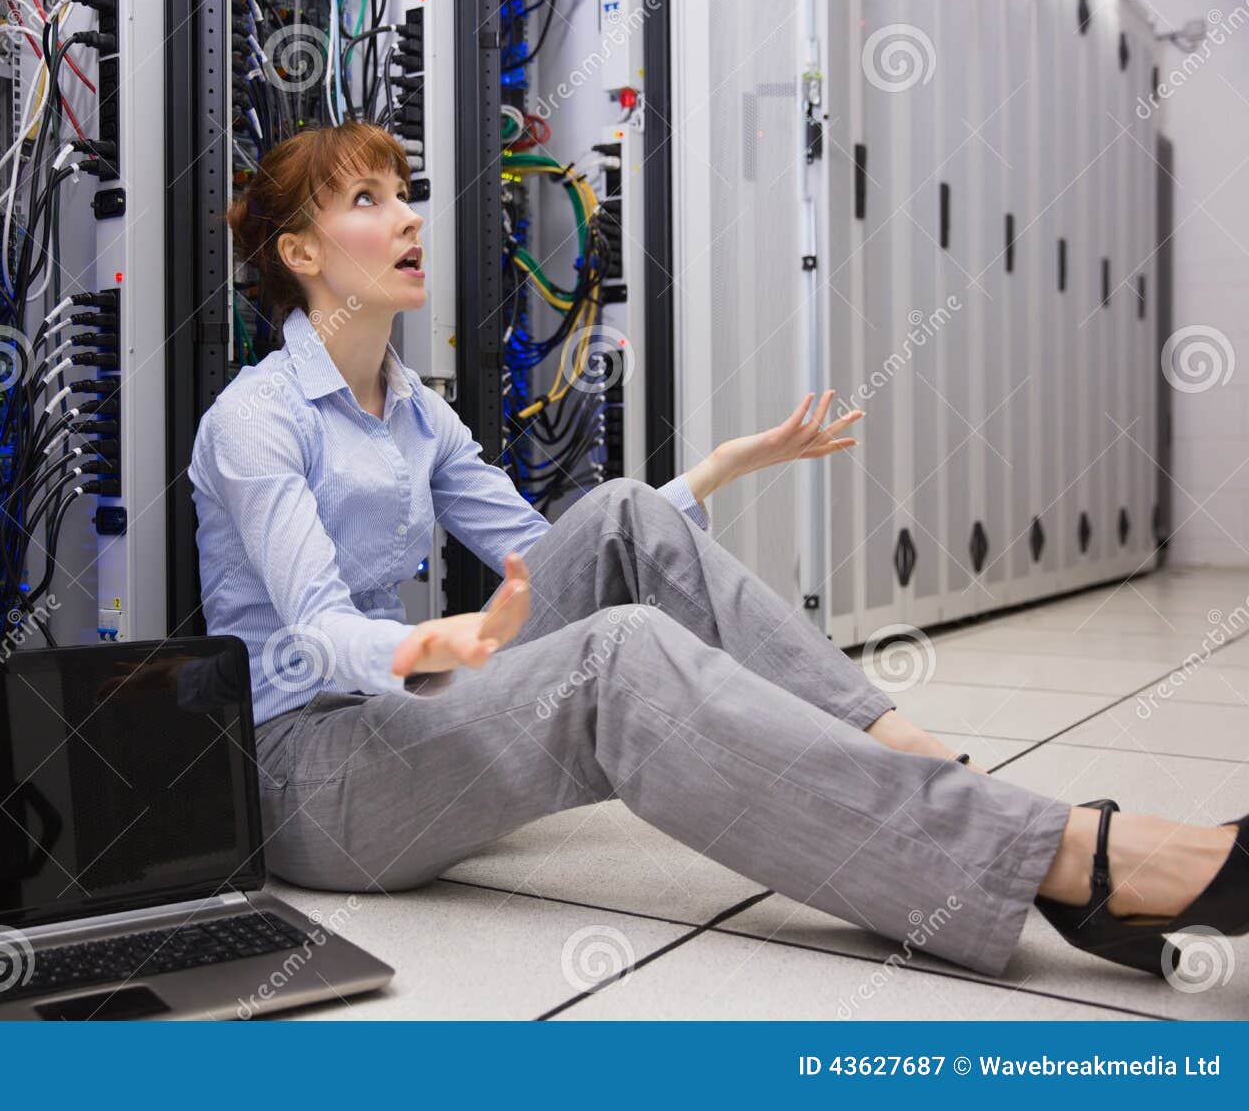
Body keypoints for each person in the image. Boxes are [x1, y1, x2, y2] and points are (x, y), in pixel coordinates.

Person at [188, 120, 1246, 980]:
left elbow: (556, 554)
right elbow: (318, 634)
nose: (409, 214)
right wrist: (435, 644)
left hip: (398, 714)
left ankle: (928, 765)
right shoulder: (256, 420)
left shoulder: (416, 410)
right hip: (308, 778)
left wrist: (712, 475)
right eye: (366, 198)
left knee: (621, 511)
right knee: (617, 658)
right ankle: (1067, 856)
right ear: (301, 254)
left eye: (403, 191)